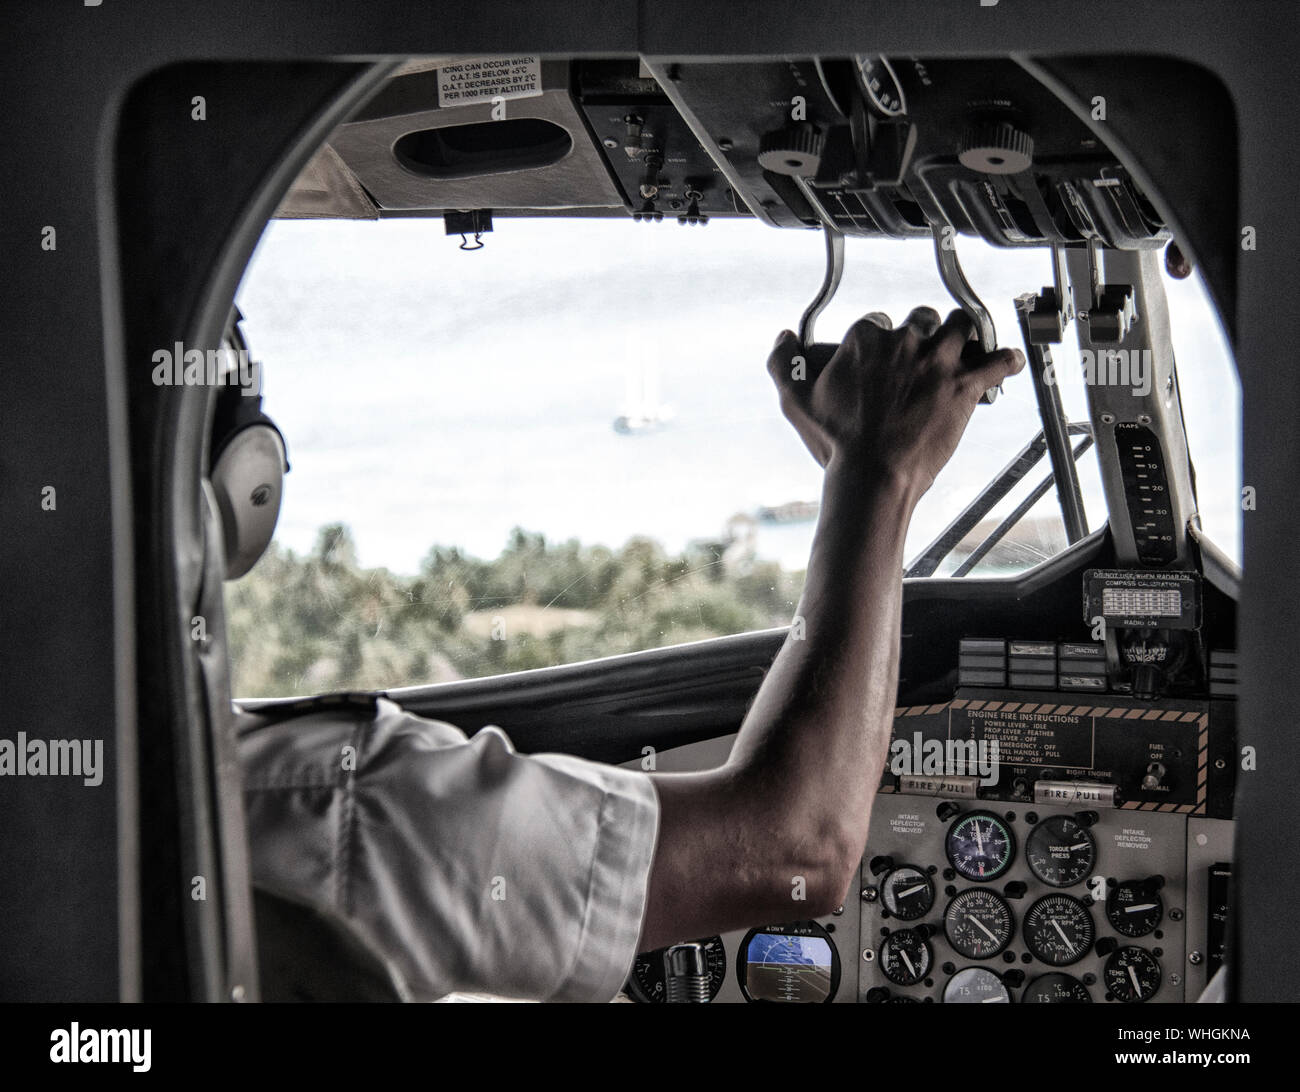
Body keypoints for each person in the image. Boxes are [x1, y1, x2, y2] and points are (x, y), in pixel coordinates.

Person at [238, 307, 1025, 1001]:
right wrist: (878, 471)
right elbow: (800, 845)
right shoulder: (341, 805)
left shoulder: (258, 789)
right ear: (240, 487)